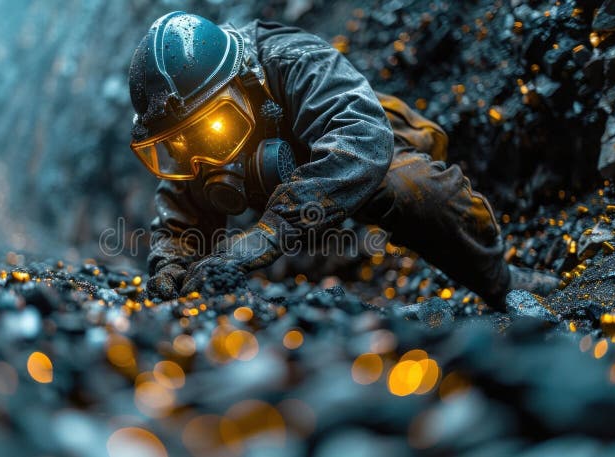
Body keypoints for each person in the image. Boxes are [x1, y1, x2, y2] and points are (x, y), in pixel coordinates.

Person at [128, 11, 559, 308]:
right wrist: (172, 266)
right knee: (199, 170)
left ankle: (501, 282)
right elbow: (178, 209)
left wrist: (270, 232)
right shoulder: (191, 123)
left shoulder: (295, 58)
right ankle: (332, 271)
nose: (200, 153)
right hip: (291, 192)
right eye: (181, 142)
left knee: (413, 187)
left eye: (213, 126)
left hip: (355, 142)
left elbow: (361, 138)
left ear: (244, 79)